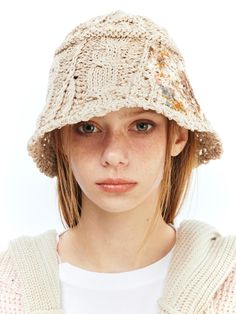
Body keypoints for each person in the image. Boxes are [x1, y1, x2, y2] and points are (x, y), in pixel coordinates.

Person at [0, 10, 235, 314]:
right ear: (62, 141)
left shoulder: (227, 281)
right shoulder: (10, 285)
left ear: (178, 136)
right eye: (87, 127)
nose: (113, 155)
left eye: (141, 126)